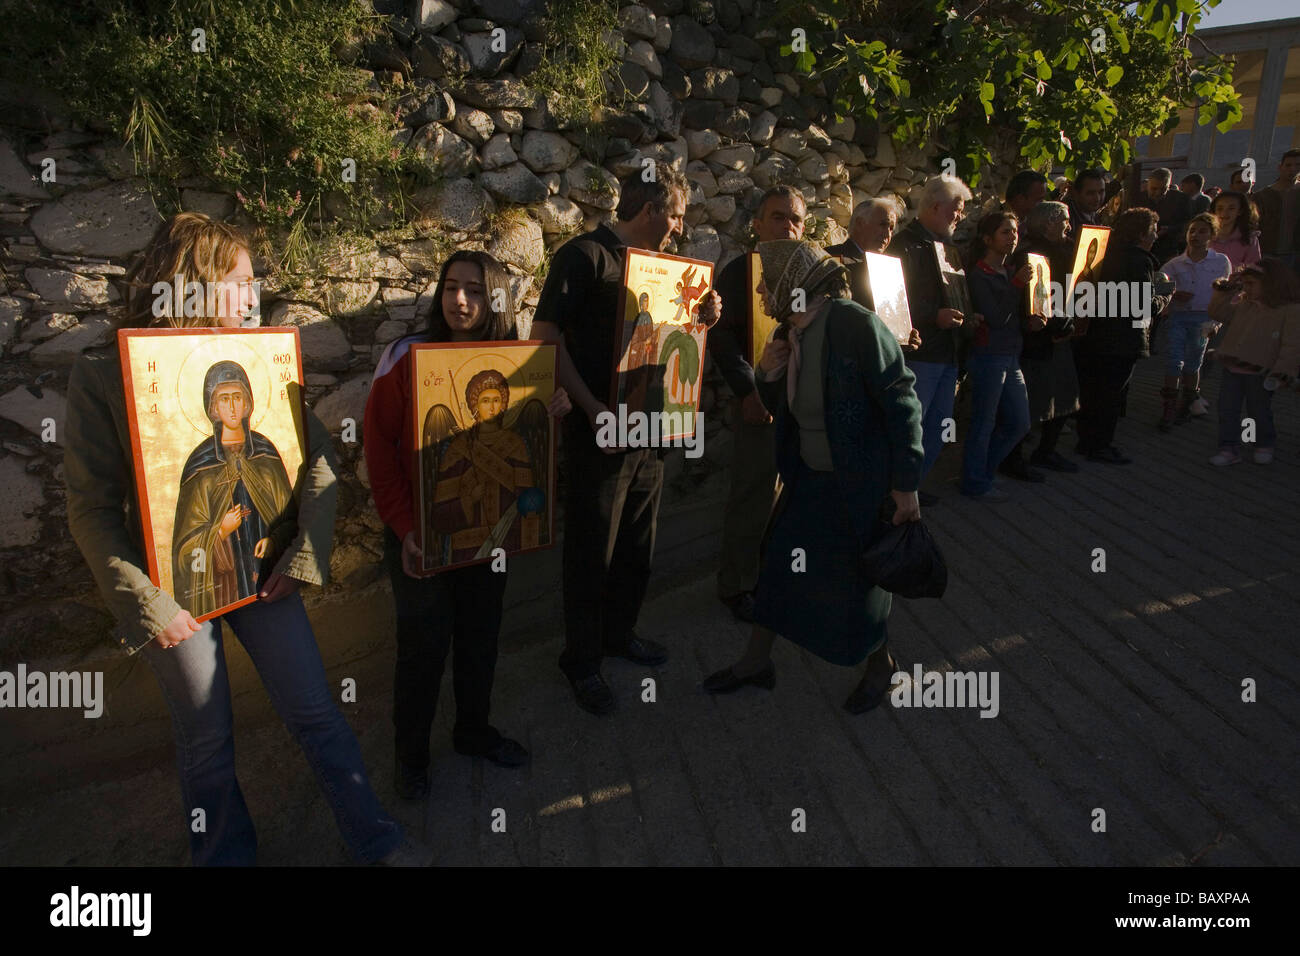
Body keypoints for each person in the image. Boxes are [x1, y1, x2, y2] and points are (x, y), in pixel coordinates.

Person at [64, 212, 425, 866]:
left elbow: (317, 460)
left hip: (264, 577)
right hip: (174, 591)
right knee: (206, 742)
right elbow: (91, 511)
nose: (254, 296)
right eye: (242, 281)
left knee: (315, 712)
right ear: (195, 283)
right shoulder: (104, 375)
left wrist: (304, 551)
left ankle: (375, 842)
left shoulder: (258, 364)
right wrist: (149, 602)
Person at [364, 250, 571, 797]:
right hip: (422, 536)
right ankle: (410, 755)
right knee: (424, 644)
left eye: (475, 291)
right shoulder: (406, 357)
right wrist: (408, 529)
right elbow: (381, 453)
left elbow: (532, 470)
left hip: (491, 537)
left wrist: (549, 419)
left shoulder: (522, 368)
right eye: (451, 287)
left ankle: (473, 731)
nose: (460, 300)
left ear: (495, 298)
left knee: (481, 636)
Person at [701, 239, 924, 714]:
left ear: (792, 282)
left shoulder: (854, 324)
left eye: (767, 281)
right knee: (780, 569)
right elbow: (785, 405)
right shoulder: (791, 331)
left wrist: (905, 485)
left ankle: (879, 666)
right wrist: (765, 374)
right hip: (808, 482)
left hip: (858, 488)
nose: (759, 290)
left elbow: (902, 401)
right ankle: (755, 663)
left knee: (858, 585)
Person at [531, 162, 722, 715]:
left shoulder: (663, 268)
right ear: (651, 210)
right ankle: (582, 661)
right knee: (593, 547)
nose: (679, 229)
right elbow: (545, 339)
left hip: (653, 427)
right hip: (601, 432)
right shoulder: (583, 256)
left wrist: (704, 315)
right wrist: (594, 413)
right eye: (677, 217)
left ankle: (619, 633)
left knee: (639, 540)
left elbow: (666, 339)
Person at [708, 184, 805, 623]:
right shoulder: (741, 271)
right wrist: (748, 391)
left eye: (796, 219)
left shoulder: (809, 274)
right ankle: (736, 586)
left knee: (788, 497)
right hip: (759, 402)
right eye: (779, 216)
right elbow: (722, 337)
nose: (789, 225)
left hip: (801, 404)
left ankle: (772, 574)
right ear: (758, 224)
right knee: (752, 496)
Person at [172, 360, 294, 618]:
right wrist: (219, 533)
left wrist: (275, 541)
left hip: (270, 579)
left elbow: (291, 517)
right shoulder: (200, 465)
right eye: (223, 399)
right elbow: (183, 550)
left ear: (247, 402)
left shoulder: (266, 453)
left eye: (237, 397)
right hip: (222, 588)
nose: (231, 405)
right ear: (212, 407)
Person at [886, 173, 972, 497]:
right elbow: (891, 299)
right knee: (911, 429)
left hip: (947, 352)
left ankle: (913, 489)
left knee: (937, 428)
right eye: (956, 209)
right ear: (936, 206)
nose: (960, 216)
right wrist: (931, 316)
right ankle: (896, 494)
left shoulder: (947, 247)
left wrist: (968, 312)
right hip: (920, 355)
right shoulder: (903, 246)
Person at [1073, 207, 1170, 464]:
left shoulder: (1101, 253)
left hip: (1092, 335)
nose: (1156, 237)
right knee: (1111, 396)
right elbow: (1140, 305)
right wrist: (1162, 300)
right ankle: (1099, 445)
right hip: (1121, 340)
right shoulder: (1140, 261)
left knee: (1091, 392)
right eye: (1152, 231)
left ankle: (1086, 441)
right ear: (1140, 234)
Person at [959, 212, 1037, 499]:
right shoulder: (980, 275)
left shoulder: (1009, 270)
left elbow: (1013, 314)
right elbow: (995, 316)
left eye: (1014, 231)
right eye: (1005, 232)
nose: (1012, 237)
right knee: (984, 422)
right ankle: (975, 481)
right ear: (987, 239)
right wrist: (1016, 285)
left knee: (1019, 422)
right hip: (989, 355)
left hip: (1010, 354)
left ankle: (984, 471)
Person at [1006, 201, 1078, 476]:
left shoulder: (1061, 250)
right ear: (1048, 223)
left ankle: (1046, 451)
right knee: (1031, 401)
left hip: (1057, 332)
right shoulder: (1030, 254)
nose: (1068, 226)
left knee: (1062, 395)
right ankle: (1014, 459)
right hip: (1037, 339)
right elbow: (1033, 300)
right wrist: (1051, 326)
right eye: (1064, 220)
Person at [1206, 259, 1300, 465]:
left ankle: (1261, 442)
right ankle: (1229, 446)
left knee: (1258, 410)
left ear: (1271, 283)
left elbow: (1292, 345)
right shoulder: (1243, 303)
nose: (1246, 288)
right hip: (1233, 367)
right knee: (1228, 409)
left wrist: (1282, 372)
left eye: (1251, 284)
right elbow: (1217, 313)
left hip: (1261, 371)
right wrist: (1225, 290)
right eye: (1244, 283)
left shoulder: (1289, 310)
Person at [1155, 214, 1231, 430]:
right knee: (1174, 360)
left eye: (1202, 231)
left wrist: (1217, 321)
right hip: (1179, 316)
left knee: (1193, 361)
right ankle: (1168, 407)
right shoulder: (1175, 263)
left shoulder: (1220, 261)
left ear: (1212, 235)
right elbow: (1159, 287)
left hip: (1204, 317)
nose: (1196, 235)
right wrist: (1174, 294)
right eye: (1192, 231)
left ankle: (1187, 403)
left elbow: (1225, 293)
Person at [1130, 168, 1191, 263]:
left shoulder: (1181, 200)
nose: (1158, 193)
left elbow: (1188, 223)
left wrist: (1170, 229)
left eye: (1163, 189)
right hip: (1142, 248)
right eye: (1154, 189)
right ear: (1148, 185)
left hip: (1168, 250)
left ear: (1168, 186)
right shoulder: (1138, 199)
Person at [1253, 148, 1300, 266]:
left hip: (1295, 252)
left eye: (1297, 165)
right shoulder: (1262, 196)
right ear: (1280, 167)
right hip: (1268, 251)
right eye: (1288, 165)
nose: (1293, 169)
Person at [826, 195, 903, 262]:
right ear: (860, 223)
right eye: (882, 224)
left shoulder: (887, 266)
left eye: (891, 228)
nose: (887, 234)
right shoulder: (834, 258)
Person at [1209, 190, 1262, 270]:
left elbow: (1253, 267)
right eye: (1220, 208)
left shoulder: (1249, 238)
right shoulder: (1205, 235)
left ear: (1240, 211)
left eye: (1231, 208)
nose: (1224, 213)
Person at [1066, 168, 1108, 236]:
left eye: (1101, 192)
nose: (1097, 198)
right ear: (1076, 193)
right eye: (1090, 193)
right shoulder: (1065, 221)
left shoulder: (1097, 216)